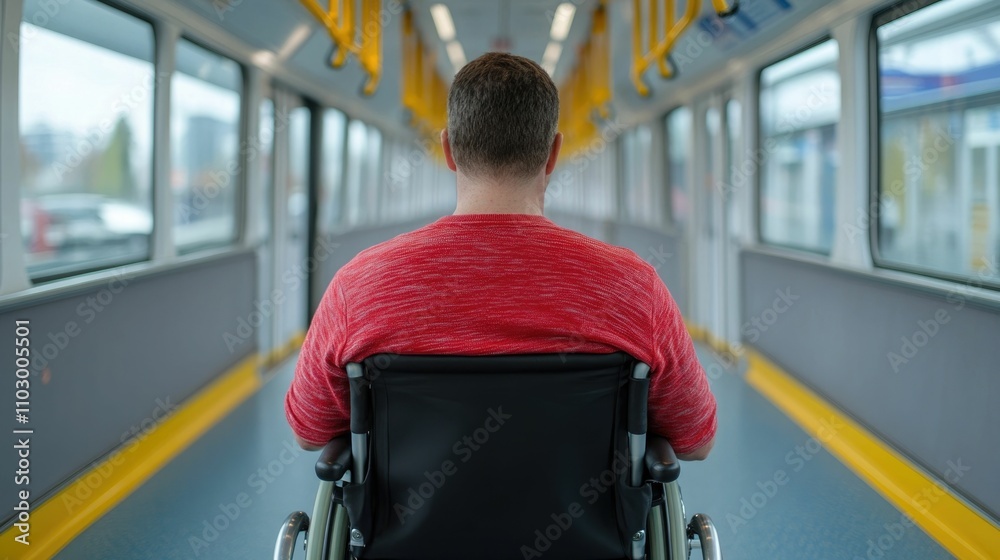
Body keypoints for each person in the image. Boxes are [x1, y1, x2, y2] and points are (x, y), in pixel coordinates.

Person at [285, 52, 716, 461]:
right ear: (553, 154)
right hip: (585, 517)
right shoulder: (634, 286)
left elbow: (309, 431)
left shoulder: (359, 285)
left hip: (406, 516)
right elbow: (695, 440)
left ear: (449, 150)